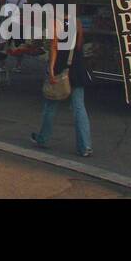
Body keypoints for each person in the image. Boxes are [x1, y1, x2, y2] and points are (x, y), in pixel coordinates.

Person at [31, 12, 92, 157]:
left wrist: (51, 68)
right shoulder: (77, 22)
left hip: (60, 68)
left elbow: (54, 46)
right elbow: (79, 45)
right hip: (76, 67)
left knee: (51, 105)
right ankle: (85, 146)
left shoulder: (55, 22)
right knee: (79, 107)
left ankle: (43, 139)